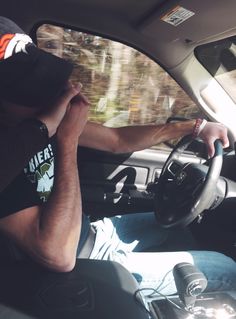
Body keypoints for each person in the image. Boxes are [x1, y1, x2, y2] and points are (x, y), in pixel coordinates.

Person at [0, 16, 235, 297]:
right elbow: (59, 255)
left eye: (41, 81)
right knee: (227, 269)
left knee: (183, 225)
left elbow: (117, 140)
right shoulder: (7, 160)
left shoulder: (42, 119)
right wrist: (68, 140)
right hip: (86, 262)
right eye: (27, 91)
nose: (43, 97)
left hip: (96, 233)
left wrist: (195, 126)